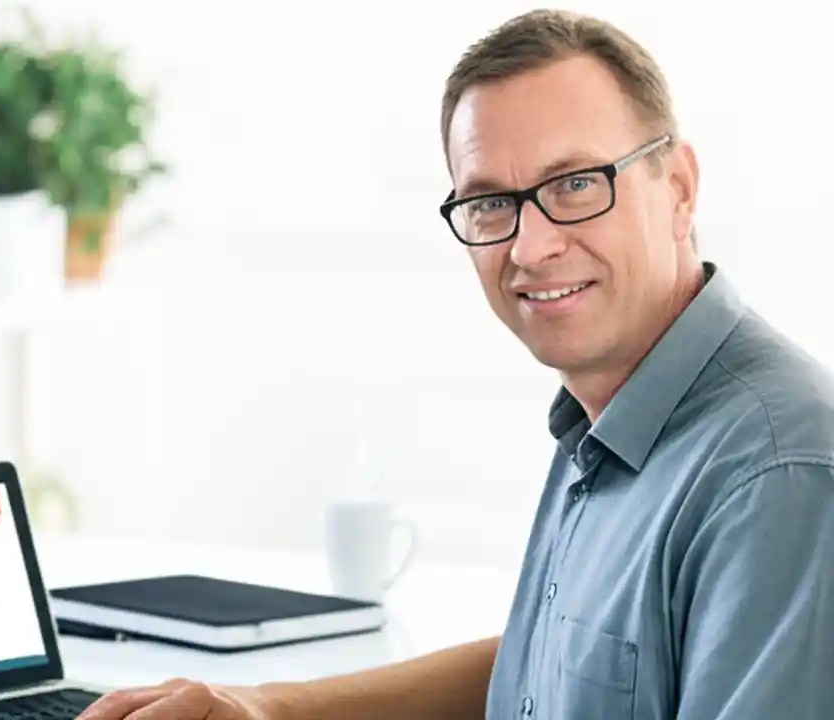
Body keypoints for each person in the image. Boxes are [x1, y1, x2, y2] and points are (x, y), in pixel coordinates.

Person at [77, 8, 834, 720]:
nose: (530, 248)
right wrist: (267, 707)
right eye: (490, 204)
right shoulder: (613, 415)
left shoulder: (775, 473)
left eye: (575, 185)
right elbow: (559, 663)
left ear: (678, 189)